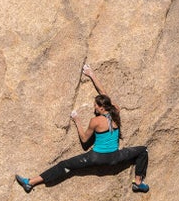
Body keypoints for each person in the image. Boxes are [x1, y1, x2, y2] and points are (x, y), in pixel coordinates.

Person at [15, 63, 150, 193]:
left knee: (64, 165)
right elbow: (104, 93)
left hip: (96, 158)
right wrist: (92, 75)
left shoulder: (95, 121)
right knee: (143, 150)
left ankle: (30, 182)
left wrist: (77, 120)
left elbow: (85, 139)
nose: (94, 107)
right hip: (115, 157)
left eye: (96, 106)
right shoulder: (116, 111)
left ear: (101, 107)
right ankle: (138, 183)